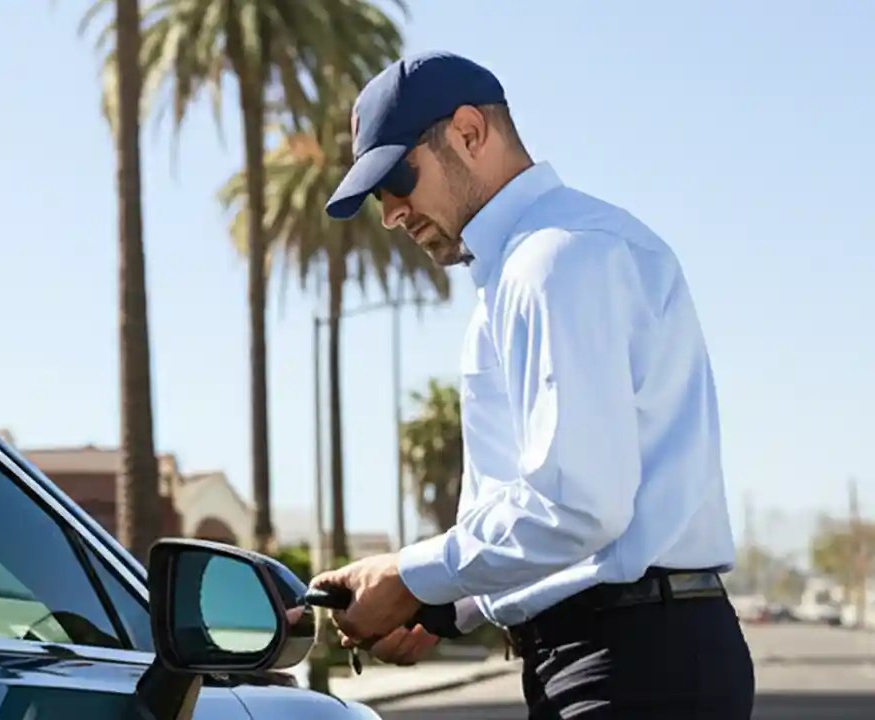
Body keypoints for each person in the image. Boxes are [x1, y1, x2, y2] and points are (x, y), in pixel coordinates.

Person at [309, 51, 755, 718]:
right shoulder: (555, 254)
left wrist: (408, 575)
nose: (391, 214)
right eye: (379, 195)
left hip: (631, 665)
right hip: (635, 657)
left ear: (468, 132)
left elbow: (577, 504)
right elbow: (583, 508)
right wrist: (446, 605)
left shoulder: (552, 261)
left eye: (397, 178)